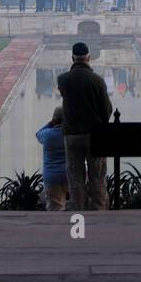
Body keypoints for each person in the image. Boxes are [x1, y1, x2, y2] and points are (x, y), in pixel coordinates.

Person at [57, 41, 112, 210]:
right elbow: (107, 110)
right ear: (88, 57)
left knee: (75, 177)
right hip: (95, 134)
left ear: (73, 58)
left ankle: (79, 211)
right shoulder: (97, 80)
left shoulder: (63, 80)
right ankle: (98, 211)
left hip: (72, 134)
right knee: (97, 178)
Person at [36, 106, 70, 210]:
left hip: (52, 177)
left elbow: (38, 134)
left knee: (55, 209)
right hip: (69, 175)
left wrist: (50, 123)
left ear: (54, 119)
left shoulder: (47, 135)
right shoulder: (70, 134)